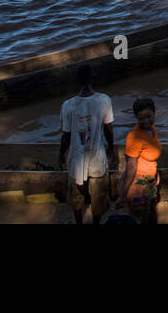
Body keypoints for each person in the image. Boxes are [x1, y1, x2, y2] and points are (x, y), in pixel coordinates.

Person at [58, 65, 115, 224]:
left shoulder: (68, 105)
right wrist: (112, 149)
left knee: (76, 199)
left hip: (76, 161)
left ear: (76, 81)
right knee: (98, 199)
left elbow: (66, 137)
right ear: (92, 78)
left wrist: (61, 156)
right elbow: (108, 130)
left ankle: (78, 222)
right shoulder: (104, 100)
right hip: (97, 160)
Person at [116, 98, 162, 224]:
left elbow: (149, 157)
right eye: (141, 118)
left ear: (154, 113)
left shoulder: (152, 129)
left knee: (151, 215)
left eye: (149, 116)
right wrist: (123, 194)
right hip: (138, 185)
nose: (146, 121)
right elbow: (131, 166)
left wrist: (156, 174)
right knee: (139, 218)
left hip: (150, 181)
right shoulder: (134, 136)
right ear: (136, 118)